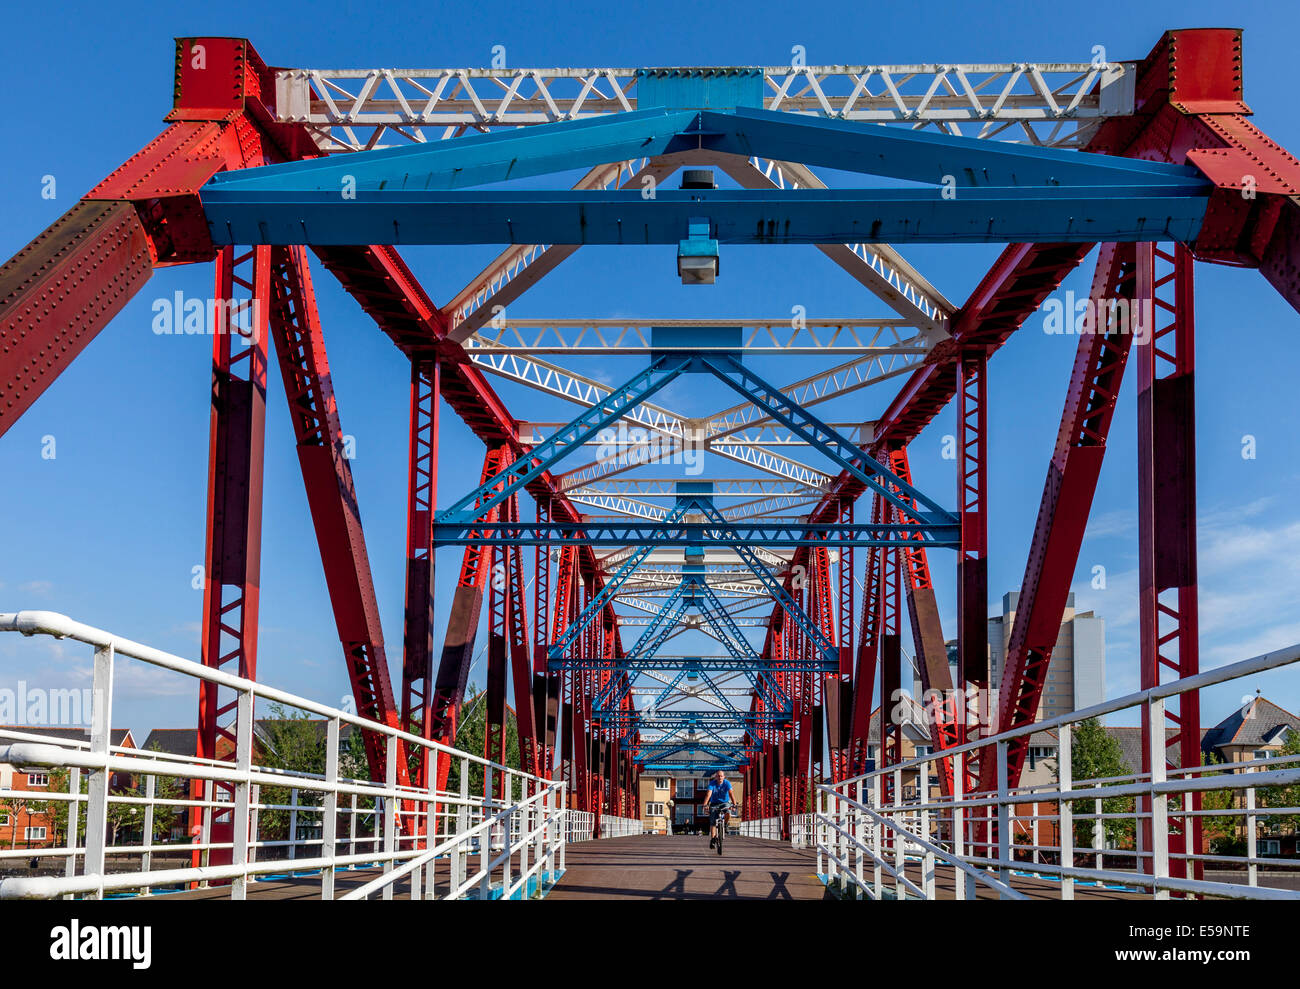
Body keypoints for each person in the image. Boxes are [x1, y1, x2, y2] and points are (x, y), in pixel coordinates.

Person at [704, 770, 734, 849]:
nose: (720, 777)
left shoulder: (727, 783)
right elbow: (708, 794)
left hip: (725, 803)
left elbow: (731, 793)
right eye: (718, 776)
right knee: (713, 822)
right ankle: (713, 839)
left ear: (724, 777)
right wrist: (705, 804)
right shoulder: (712, 783)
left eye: (721, 776)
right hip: (714, 803)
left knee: (728, 812)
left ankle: (725, 824)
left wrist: (734, 804)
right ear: (715, 777)